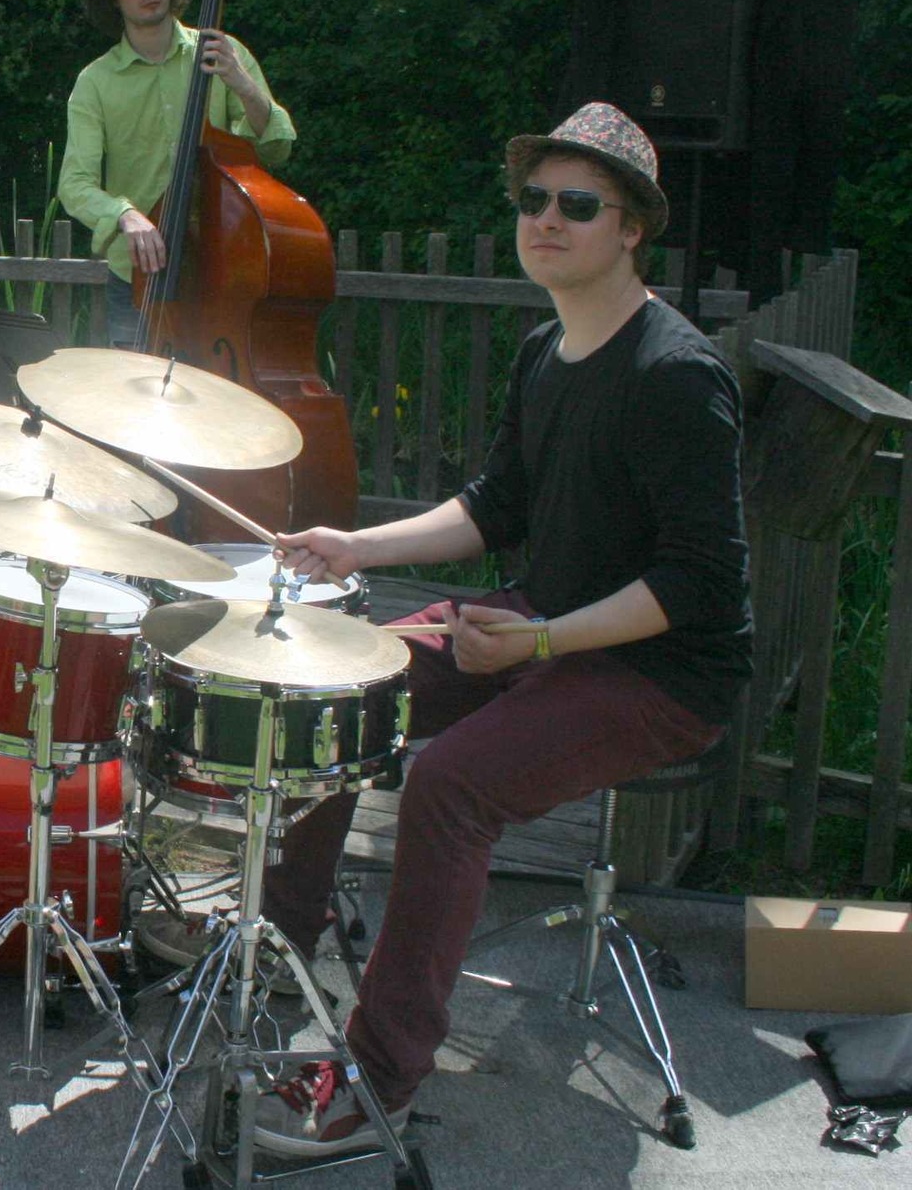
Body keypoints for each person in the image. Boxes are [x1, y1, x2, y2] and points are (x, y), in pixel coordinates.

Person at [252, 103, 751, 1156]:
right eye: (534, 200)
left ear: (630, 231)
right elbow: (493, 505)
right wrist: (357, 545)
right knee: (336, 688)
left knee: (450, 785)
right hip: (547, 622)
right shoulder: (545, 350)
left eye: (578, 205)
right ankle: (273, 958)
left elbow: (697, 582)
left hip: (660, 672)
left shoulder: (675, 375)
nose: (547, 220)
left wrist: (536, 645)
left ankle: (378, 1076)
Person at [57, 0, 297, 348]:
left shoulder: (223, 53)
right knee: (135, 410)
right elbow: (75, 185)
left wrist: (242, 83)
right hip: (138, 279)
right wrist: (125, 215)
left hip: (222, 270)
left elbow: (277, 147)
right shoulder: (94, 82)